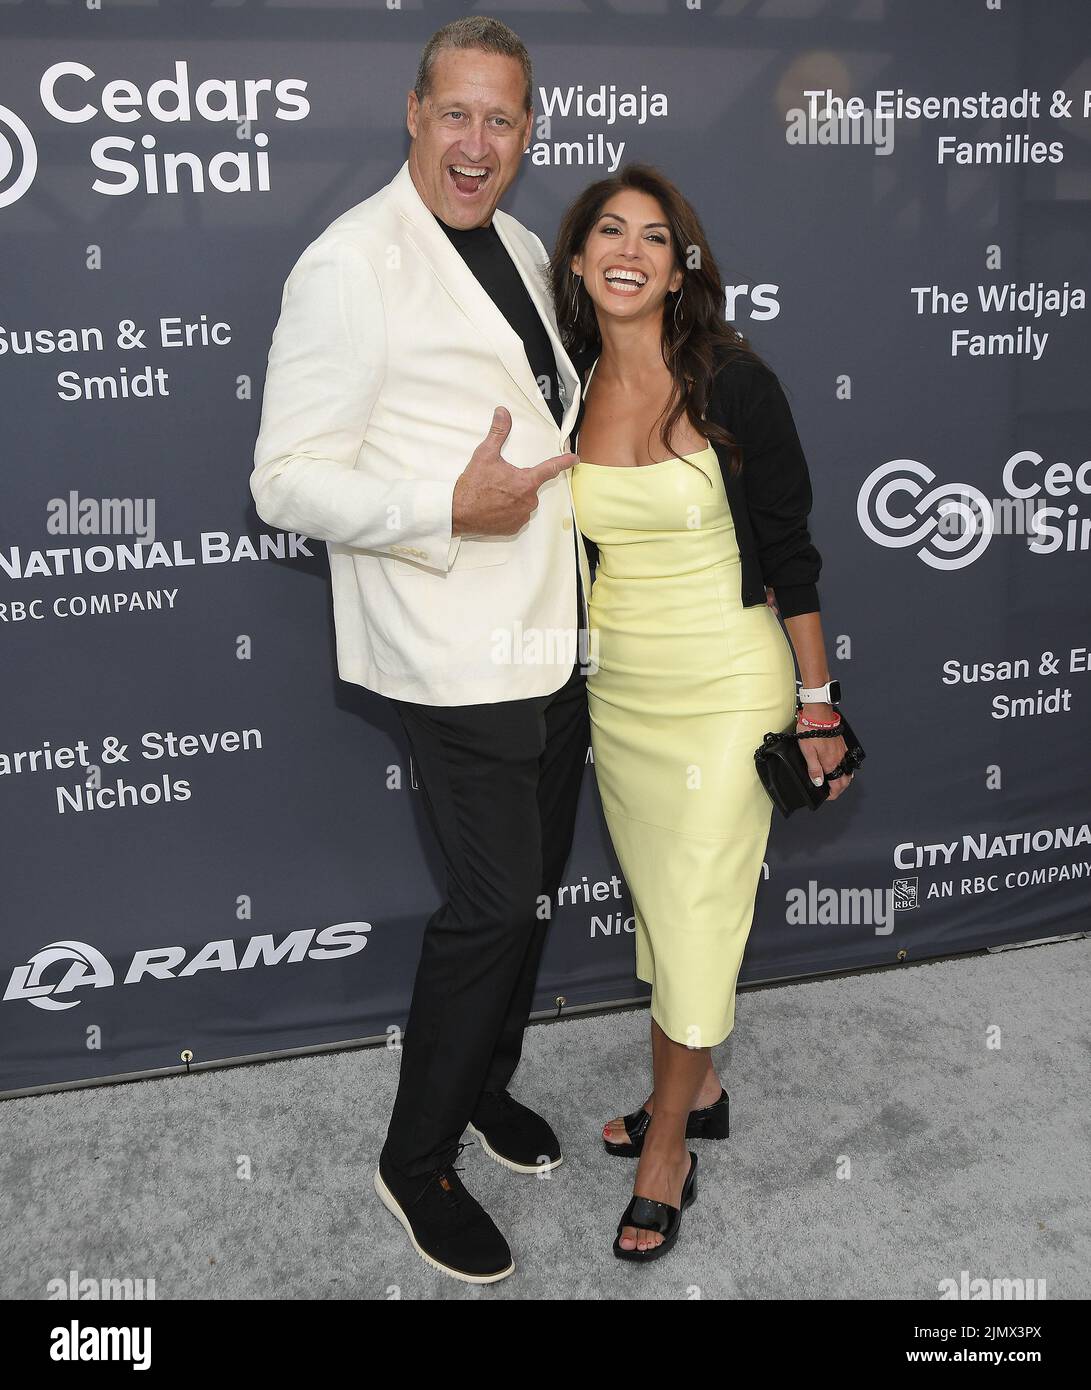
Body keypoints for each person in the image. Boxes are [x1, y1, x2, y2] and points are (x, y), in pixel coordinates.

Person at [250, 17, 593, 1285]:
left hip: (549, 642)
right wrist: (445, 508)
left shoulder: (511, 241)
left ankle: (487, 1087)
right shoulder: (349, 263)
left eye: (502, 121)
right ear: (411, 112)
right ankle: (416, 1156)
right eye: (456, 113)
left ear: (523, 135)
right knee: (494, 904)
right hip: (447, 649)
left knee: (532, 894)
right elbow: (282, 480)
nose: (477, 143)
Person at [553, 164, 854, 1262]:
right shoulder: (565, 381)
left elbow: (791, 553)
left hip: (729, 686)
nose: (628, 249)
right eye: (606, 231)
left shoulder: (734, 382)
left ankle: (667, 1143)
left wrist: (816, 707)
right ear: (579, 258)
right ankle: (704, 1083)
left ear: (681, 266)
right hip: (620, 695)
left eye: (653, 236)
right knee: (662, 905)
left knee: (690, 915)